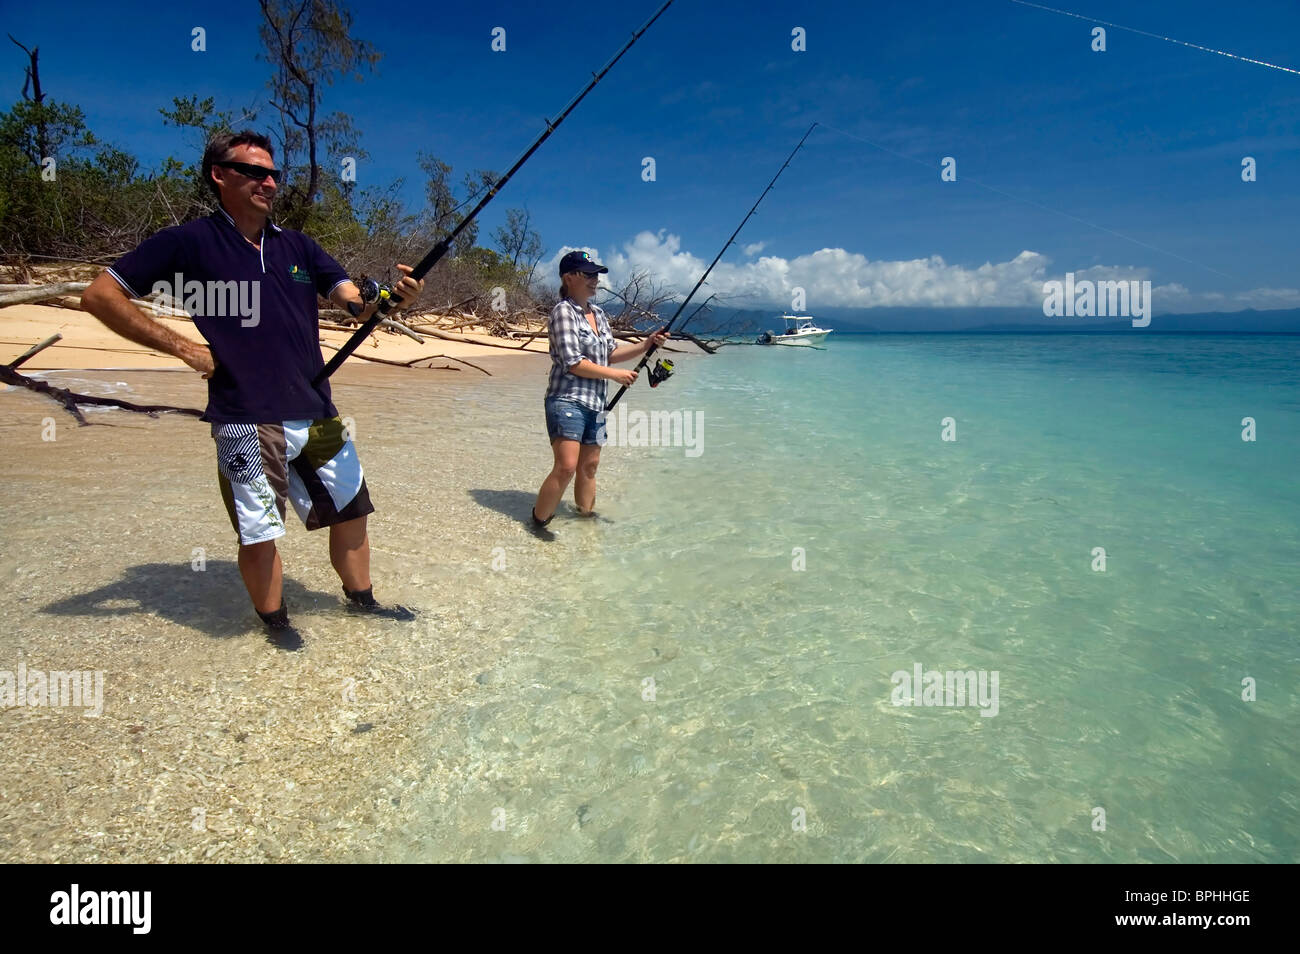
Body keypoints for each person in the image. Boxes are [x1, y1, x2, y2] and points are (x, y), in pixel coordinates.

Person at [80, 130, 422, 648]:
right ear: (220, 175)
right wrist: (185, 349)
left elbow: (355, 303)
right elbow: (101, 295)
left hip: (317, 409)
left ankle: (363, 604)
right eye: (254, 171)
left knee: (352, 512)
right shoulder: (188, 243)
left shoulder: (298, 245)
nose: (269, 181)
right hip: (245, 417)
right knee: (261, 531)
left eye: (273, 173)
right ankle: (276, 625)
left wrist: (392, 297)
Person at [530, 250, 668, 531]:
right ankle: (538, 522)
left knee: (589, 467)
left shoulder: (600, 315)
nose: (595, 280)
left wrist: (647, 343)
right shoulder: (562, 312)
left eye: (596, 275)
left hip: (596, 403)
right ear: (568, 277)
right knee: (567, 465)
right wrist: (615, 375)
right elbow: (573, 362)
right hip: (566, 399)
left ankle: (586, 523)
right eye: (587, 274)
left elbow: (611, 353)